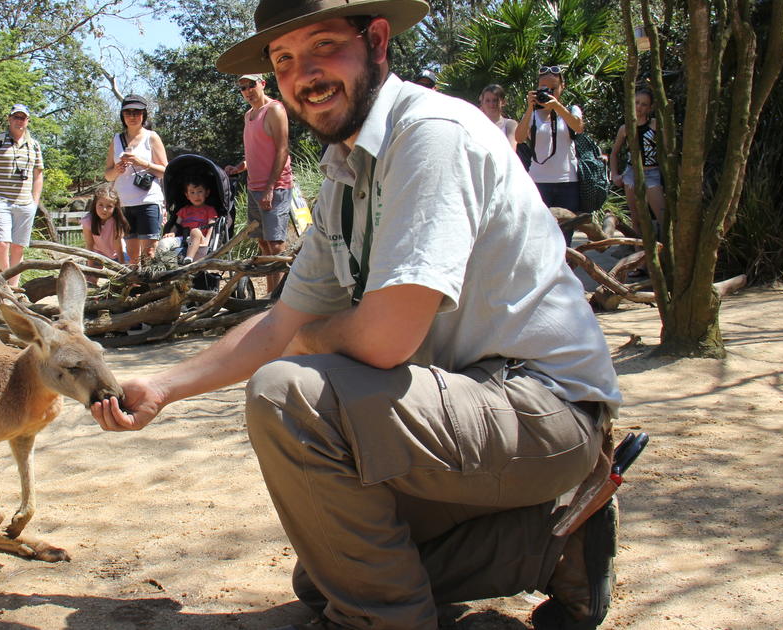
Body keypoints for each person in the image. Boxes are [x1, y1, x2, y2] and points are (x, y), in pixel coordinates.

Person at [91, 2, 623, 630]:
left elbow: (384, 339)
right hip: (467, 410)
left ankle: (382, 622)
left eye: (322, 47)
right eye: (285, 60)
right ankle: (556, 546)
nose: (304, 75)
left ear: (375, 40)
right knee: (327, 569)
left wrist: (305, 341)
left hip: (544, 410)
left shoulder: (429, 134)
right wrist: (162, 386)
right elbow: (277, 322)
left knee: (289, 397)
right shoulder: (346, 172)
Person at [224, 73, 294, 293]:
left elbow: (282, 150)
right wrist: (239, 167)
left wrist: (270, 188)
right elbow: (257, 151)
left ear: (262, 84)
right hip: (254, 187)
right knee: (263, 244)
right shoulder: (248, 115)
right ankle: (271, 297)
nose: (247, 91)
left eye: (251, 85)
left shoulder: (274, 110)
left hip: (276, 187)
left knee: (276, 246)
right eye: (242, 88)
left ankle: (280, 299)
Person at [0, 104, 44, 286]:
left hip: (25, 204)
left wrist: (35, 202)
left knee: (18, 247)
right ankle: (1, 286)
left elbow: (38, 174)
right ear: (9, 119)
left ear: (27, 121)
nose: (19, 121)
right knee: (2, 244)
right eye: (16, 117)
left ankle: (13, 288)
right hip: (1, 201)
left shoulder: (34, 145)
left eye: (22, 118)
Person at [515, 66, 584, 221]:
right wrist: (530, 108)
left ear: (562, 87)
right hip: (538, 181)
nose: (549, 92)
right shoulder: (532, 113)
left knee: (566, 233)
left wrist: (556, 106)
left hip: (567, 181)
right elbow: (519, 138)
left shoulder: (571, 110)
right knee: (538, 231)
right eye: (544, 88)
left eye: (553, 88)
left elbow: (578, 127)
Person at [105, 94, 168, 264]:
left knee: (149, 252)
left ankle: (152, 288)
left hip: (148, 200)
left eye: (137, 112)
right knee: (132, 255)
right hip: (124, 204)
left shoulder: (152, 137)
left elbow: (165, 171)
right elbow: (107, 174)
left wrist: (143, 163)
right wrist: (117, 170)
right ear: (122, 116)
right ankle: (135, 288)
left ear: (144, 115)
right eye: (128, 113)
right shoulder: (116, 140)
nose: (132, 116)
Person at [610, 87, 665, 245]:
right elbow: (614, 153)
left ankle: (663, 256)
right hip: (631, 173)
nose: (639, 107)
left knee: (662, 216)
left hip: (652, 172)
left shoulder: (655, 125)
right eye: (637, 103)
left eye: (644, 104)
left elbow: (668, 150)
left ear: (650, 107)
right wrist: (615, 175)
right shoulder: (625, 128)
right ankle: (639, 263)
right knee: (637, 218)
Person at [81, 183, 127, 266]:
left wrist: (122, 265)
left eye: (109, 206)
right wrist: (90, 267)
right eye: (100, 205)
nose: (104, 209)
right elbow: (89, 244)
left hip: (116, 254)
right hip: (98, 254)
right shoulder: (88, 221)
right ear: (95, 204)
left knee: (121, 275)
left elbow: (118, 245)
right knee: (91, 278)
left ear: (115, 207)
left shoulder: (115, 221)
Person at [175, 179, 219, 264]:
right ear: (187, 195)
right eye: (192, 192)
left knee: (195, 231)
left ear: (206, 193)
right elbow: (176, 225)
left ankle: (188, 258)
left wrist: (207, 241)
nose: (196, 196)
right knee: (164, 242)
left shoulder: (210, 210)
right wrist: (171, 233)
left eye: (200, 191)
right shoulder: (184, 210)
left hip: (201, 240)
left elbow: (212, 226)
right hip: (183, 239)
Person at [479, 83, 518, 148]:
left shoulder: (510, 124)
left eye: (495, 100)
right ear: (482, 103)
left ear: (503, 102)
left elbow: (511, 150)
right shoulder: (476, 124)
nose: (491, 104)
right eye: (487, 101)